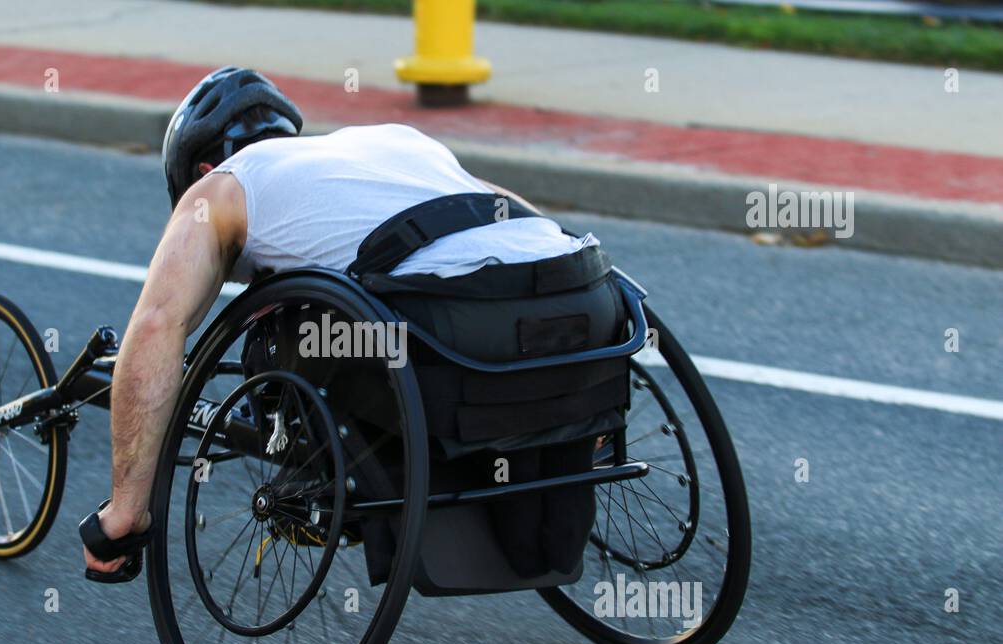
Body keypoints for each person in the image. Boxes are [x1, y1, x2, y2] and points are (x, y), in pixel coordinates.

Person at [80, 66, 627, 583]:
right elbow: (516, 214)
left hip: (459, 332)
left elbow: (157, 326)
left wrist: (126, 514)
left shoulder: (220, 191)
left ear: (200, 171)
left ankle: (331, 483)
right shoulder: (392, 143)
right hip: (584, 305)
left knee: (281, 331)